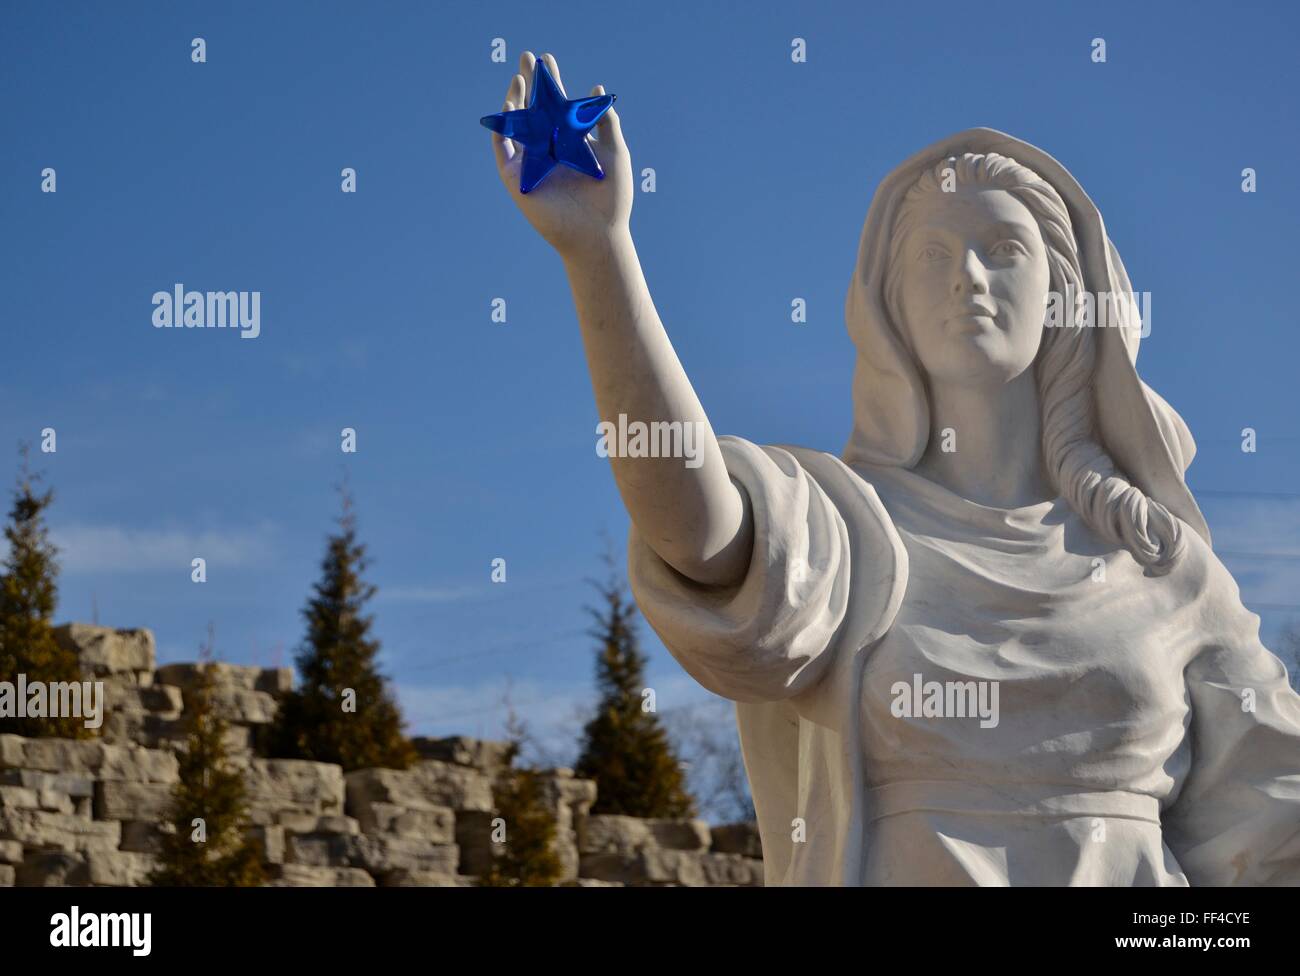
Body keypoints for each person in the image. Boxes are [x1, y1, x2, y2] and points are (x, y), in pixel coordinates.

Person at [487, 52, 1300, 886]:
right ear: (890, 305)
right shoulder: (849, 531)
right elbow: (697, 536)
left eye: (1003, 248)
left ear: (1065, 294)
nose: (969, 279)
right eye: (933, 256)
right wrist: (600, 256)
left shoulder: (1161, 565)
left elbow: (1275, 834)